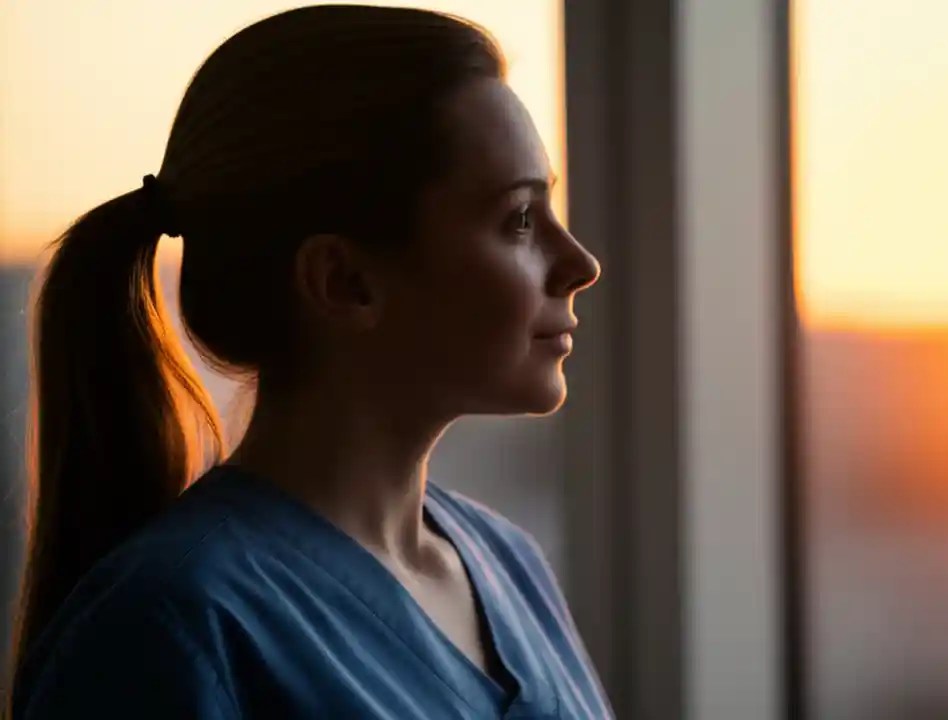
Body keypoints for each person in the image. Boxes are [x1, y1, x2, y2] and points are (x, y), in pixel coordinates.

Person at [5, 5, 607, 718]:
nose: (581, 264)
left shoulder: (509, 563)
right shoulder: (166, 629)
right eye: (520, 220)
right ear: (343, 282)